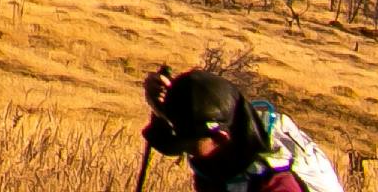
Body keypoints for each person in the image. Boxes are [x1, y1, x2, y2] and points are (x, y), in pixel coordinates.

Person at [143, 68, 348, 192]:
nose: (189, 154)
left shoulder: (276, 183)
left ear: (221, 138)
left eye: (191, 147)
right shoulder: (237, 132)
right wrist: (165, 112)